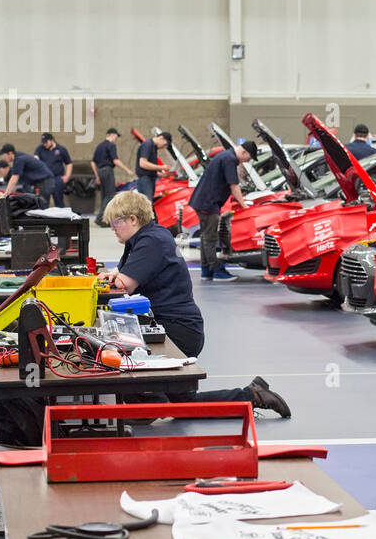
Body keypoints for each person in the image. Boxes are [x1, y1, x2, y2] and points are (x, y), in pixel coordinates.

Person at [98, 192, 290, 416]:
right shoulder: (144, 239)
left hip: (176, 330)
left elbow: (125, 284)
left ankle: (249, 395)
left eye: (115, 222)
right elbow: (123, 271)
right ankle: (252, 395)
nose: (112, 228)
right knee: (184, 404)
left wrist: (111, 277)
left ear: (133, 219)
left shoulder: (151, 241)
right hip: (171, 324)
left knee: (158, 399)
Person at [189, 139, 257, 281]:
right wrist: (244, 205)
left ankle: (206, 270)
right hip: (208, 204)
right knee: (210, 238)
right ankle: (216, 271)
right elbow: (233, 186)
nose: (247, 161)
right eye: (248, 158)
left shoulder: (225, 155)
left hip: (203, 202)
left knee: (205, 237)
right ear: (244, 152)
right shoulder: (230, 159)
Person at [91, 127, 134, 227]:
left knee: (104, 195)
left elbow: (93, 162)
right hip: (107, 170)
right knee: (110, 195)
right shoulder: (111, 145)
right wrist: (127, 170)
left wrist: (97, 175)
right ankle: (101, 218)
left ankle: (102, 217)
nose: (116, 138)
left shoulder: (99, 146)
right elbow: (115, 161)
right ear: (112, 135)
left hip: (101, 171)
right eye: (116, 136)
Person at [35, 133, 73, 208]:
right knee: (43, 202)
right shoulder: (40, 148)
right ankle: (43, 219)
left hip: (57, 178)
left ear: (52, 140)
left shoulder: (61, 149)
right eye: (43, 142)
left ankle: (61, 219)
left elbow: (69, 163)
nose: (44, 144)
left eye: (46, 142)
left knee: (59, 201)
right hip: (44, 179)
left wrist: (67, 176)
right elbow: (35, 158)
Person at [136, 130, 169, 201]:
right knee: (147, 204)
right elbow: (143, 164)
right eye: (164, 144)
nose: (163, 147)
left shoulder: (153, 148)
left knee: (148, 203)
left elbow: (148, 169)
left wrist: (160, 174)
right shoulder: (147, 145)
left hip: (149, 180)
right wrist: (162, 167)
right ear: (161, 138)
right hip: (145, 180)